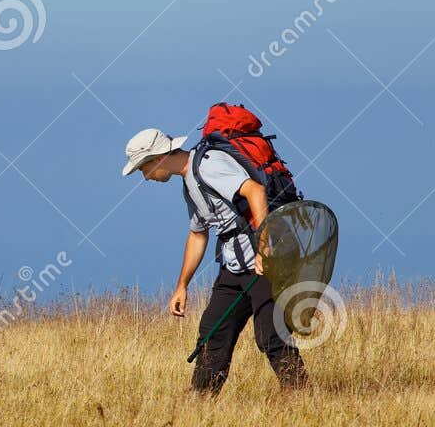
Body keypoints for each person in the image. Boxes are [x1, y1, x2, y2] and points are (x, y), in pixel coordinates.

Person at [122, 127, 307, 393]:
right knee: (212, 334)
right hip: (233, 266)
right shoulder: (189, 183)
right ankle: (201, 406)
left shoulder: (208, 165)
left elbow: (255, 191)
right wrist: (182, 286)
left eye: (143, 168)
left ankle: (301, 397)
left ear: (158, 158)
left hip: (264, 263)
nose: (145, 176)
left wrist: (263, 249)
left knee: (270, 334)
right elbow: (198, 235)